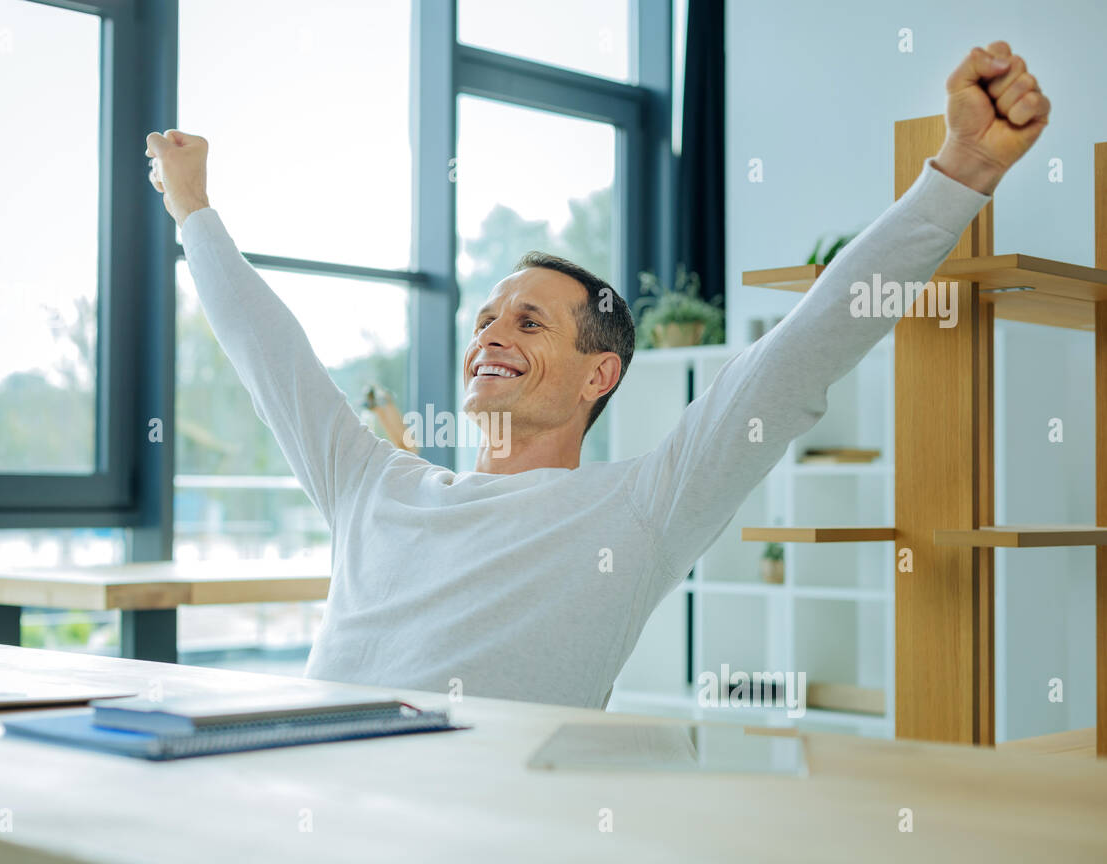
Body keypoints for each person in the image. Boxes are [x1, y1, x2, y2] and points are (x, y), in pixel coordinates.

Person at [146, 42, 1049, 708]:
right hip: (318, 816)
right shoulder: (372, 484)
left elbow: (800, 353)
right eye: (487, 318)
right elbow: (271, 355)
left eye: (529, 321)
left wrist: (960, 171)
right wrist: (193, 208)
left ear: (598, 375)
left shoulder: (642, 506)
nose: (492, 335)